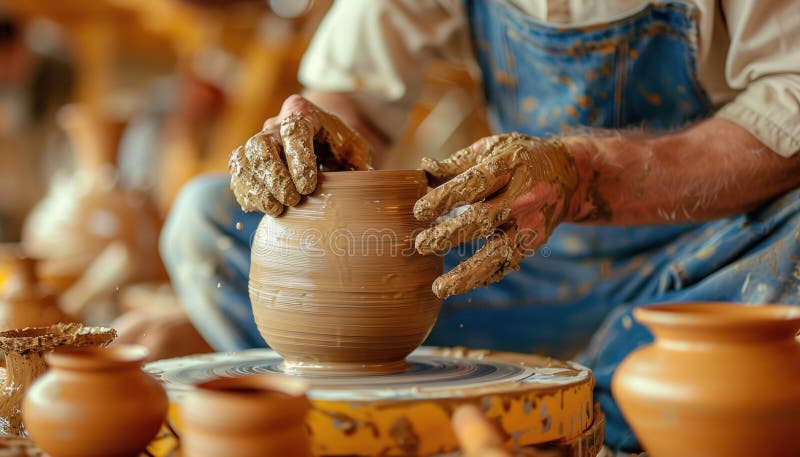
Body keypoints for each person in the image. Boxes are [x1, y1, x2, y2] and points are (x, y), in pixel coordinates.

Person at [161, 0, 800, 451]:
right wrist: (313, 136)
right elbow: (351, 96)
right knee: (207, 222)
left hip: (705, 262)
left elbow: (790, 118)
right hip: (506, 260)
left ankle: (595, 397)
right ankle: (595, 398)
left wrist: (585, 176)